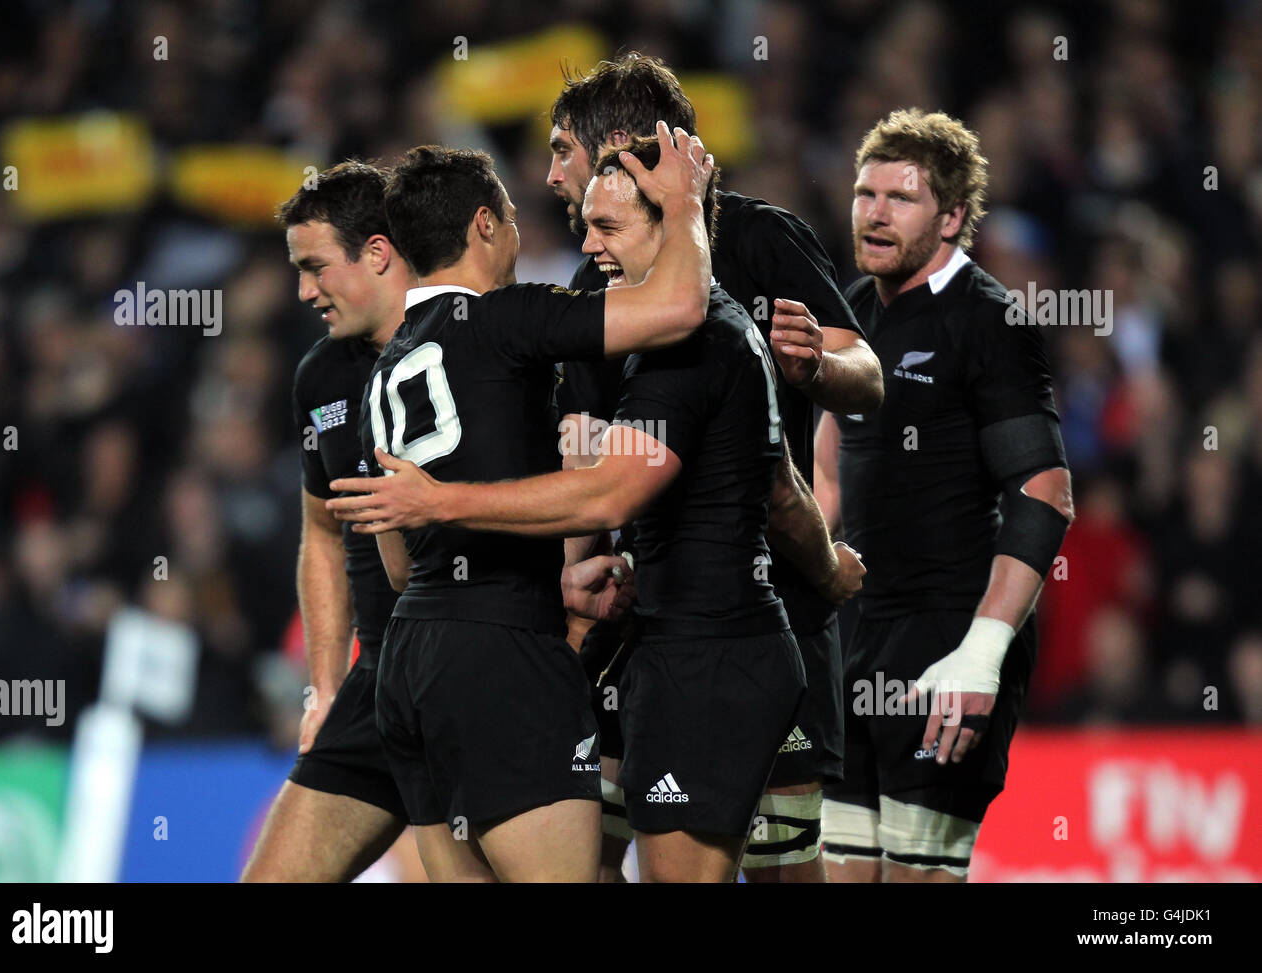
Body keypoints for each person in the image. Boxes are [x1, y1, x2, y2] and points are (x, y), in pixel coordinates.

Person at [335, 136, 862, 883]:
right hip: (570, 651)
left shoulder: (385, 365)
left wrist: (447, 505)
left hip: (432, 657)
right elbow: (675, 454)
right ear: (485, 224)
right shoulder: (521, 322)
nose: (584, 248)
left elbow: (401, 558)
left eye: (605, 228)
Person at [545, 52, 881, 881]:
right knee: (592, 856)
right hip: (647, 620)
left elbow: (866, 377)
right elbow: (588, 459)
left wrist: (816, 372)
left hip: (778, 603)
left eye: (562, 149)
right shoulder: (595, 284)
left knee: (780, 869)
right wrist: (577, 598)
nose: (552, 173)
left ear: (620, 149)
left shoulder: (763, 241)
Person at [820, 108, 1074, 882]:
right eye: (866, 193)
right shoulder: (850, 314)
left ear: (954, 216)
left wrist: (982, 651)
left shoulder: (990, 320)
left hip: (946, 636)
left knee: (915, 873)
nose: (874, 212)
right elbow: (828, 475)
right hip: (854, 634)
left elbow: (1044, 489)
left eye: (901, 198)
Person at [242, 161, 416, 882]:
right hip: (377, 683)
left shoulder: (480, 343)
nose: (304, 291)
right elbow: (321, 530)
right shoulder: (320, 376)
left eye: (315, 268)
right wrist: (322, 689)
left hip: (481, 669)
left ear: (376, 251)